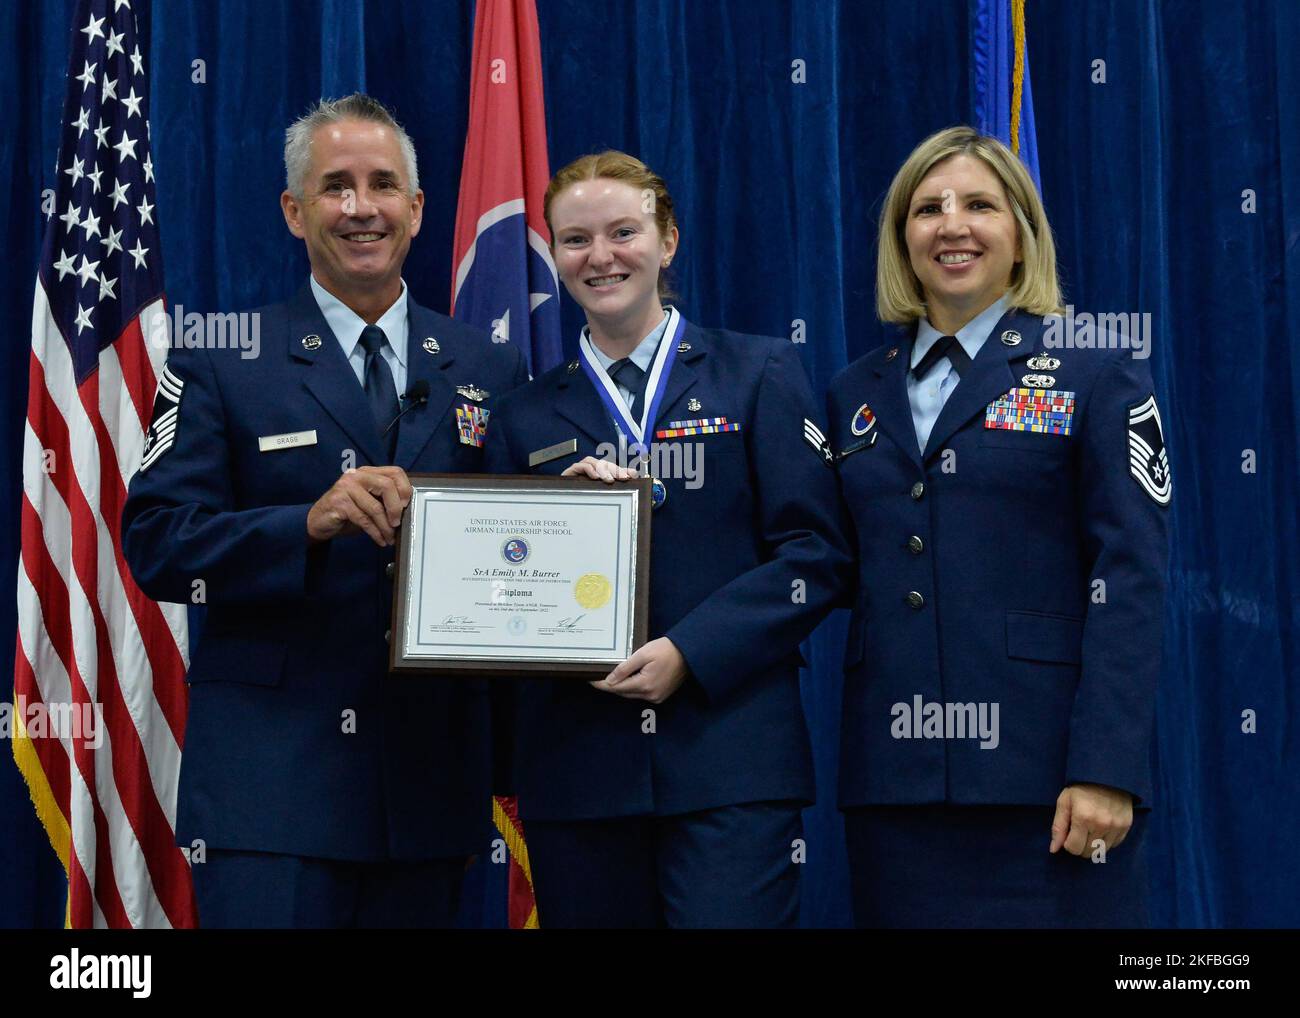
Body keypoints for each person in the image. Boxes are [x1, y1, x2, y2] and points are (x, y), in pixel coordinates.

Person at [122, 94, 527, 928]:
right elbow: (159, 543)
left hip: (429, 794)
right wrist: (303, 525)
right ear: (294, 211)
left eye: (383, 185)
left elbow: (516, 549)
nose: (361, 207)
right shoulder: (222, 357)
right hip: (274, 797)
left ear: (417, 209)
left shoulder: (488, 364)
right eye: (336, 186)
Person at [483, 151, 850, 928]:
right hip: (578, 770)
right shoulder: (522, 415)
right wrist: (549, 526)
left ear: (668, 240)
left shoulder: (759, 372)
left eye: (624, 232)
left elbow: (816, 555)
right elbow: (498, 586)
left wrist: (690, 650)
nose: (601, 256)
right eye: (576, 239)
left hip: (729, 761)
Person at [827, 125, 1171, 928]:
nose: (952, 226)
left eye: (979, 205)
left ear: (1021, 234)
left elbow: (1131, 578)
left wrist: (1106, 767)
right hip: (897, 792)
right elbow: (818, 558)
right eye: (928, 209)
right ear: (901, 239)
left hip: (1049, 787)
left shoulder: (1097, 369)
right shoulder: (854, 391)